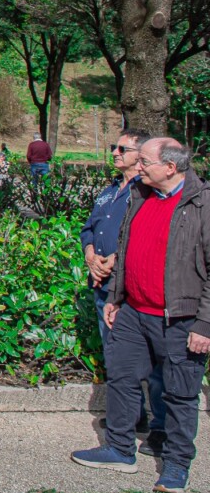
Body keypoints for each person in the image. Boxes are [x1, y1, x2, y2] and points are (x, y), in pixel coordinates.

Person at [72, 138, 210, 493]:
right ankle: (120, 449)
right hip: (134, 310)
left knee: (180, 394)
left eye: (145, 161)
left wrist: (205, 324)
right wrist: (116, 297)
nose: (139, 166)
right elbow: (126, 247)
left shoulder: (202, 204)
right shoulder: (140, 195)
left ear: (170, 167)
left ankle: (177, 465)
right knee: (121, 379)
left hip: (179, 318)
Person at [79, 130, 164, 457]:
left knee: (153, 366)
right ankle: (130, 417)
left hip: (132, 288)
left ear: (139, 154)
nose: (114, 152)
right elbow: (89, 226)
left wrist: (116, 259)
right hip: (102, 286)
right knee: (116, 358)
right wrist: (90, 255)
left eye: (122, 148)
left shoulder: (148, 193)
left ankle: (160, 428)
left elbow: (149, 236)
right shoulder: (110, 191)